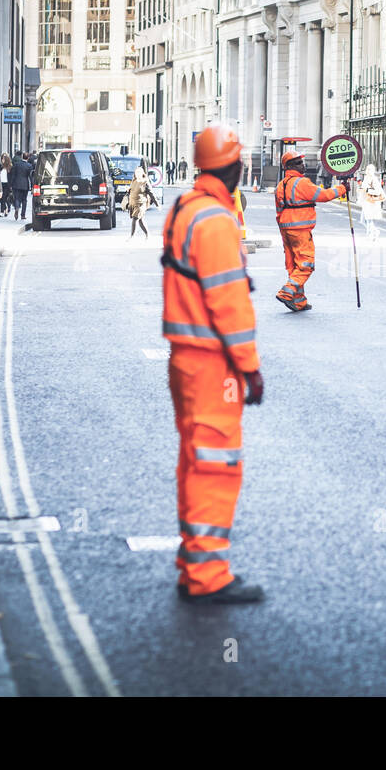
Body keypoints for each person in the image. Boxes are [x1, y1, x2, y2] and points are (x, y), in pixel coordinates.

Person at [162, 125, 265, 603]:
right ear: (232, 166)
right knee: (217, 465)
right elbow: (229, 302)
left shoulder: (186, 208)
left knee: (194, 460)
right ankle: (208, 577)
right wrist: (249, 367)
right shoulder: (217, 221)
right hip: (211, 363)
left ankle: (193, 563)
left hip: (184, 357)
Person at [274, 148, 347, 311]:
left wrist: (283, 231)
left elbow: (278, 211)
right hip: (300, 228)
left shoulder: (281, 185)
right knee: (307, 264)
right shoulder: (302, 183)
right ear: (291, 166)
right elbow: (324, 196)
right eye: (299, 162)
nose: (303, 165)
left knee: (294, 265)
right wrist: (343, 189)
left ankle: (298, 301)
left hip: (286, 228)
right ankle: (287, 292)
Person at [125, 165, 155, 240]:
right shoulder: (134, 181)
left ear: (142, 173)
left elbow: (151, 193)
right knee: (140, 220)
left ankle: (132, 236)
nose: (137, 174)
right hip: (134, 203)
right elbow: (131, 191)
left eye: (139, 172)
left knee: (135, 218)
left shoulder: (145, 182)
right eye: (136, 172)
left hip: (141, 204)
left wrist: (157, 204)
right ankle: (147, 234)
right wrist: (128, 190)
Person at [360, 164, 385, 242]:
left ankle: (370, 235)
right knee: (363, 220)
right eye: (368, 169)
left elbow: (377, 191)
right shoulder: (366, 178)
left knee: (368, 219)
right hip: (366, 202)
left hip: (371, 203)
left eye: (370, 169)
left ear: (373, 171)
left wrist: (367, 190)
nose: (368, 171)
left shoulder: (374, 179)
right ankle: (375, 231)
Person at [11, 151, 34, 219]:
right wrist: (32, 186)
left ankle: (17, 208)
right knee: (24, 200)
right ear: (28, 158)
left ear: (22, 157)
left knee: (17, 198)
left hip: (16, 184)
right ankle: (23, 215)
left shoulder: (17, 164)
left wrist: (11, 184)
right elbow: (30, 176)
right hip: (25, 184)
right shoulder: (29, 166)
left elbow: (13, 175)